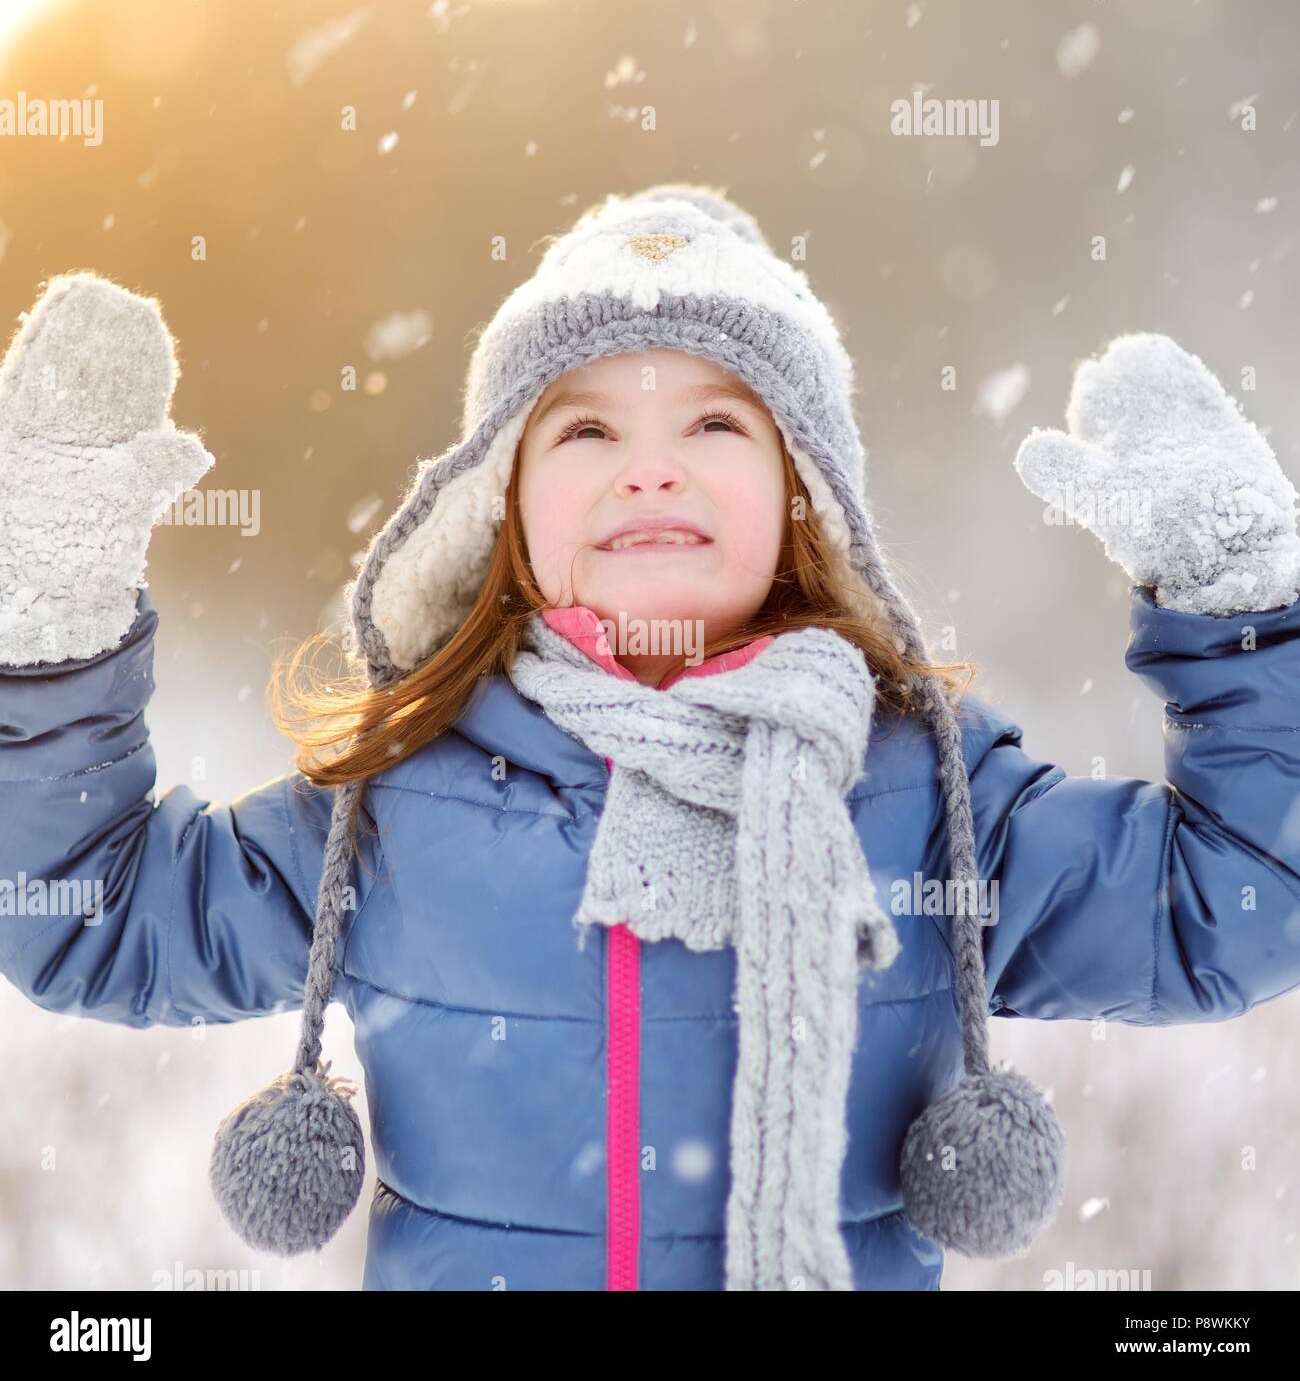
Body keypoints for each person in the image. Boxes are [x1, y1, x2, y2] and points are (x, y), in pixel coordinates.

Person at [1, 184, 1298, 1292]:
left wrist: (1241, 602)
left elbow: (1235, 902)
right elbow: (91, 913)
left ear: (806, 496)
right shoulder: (400, 810)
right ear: (500, 507)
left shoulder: (927, 800)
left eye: (715, 422)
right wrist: (51, 603)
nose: (651, 467)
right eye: (587, 428)